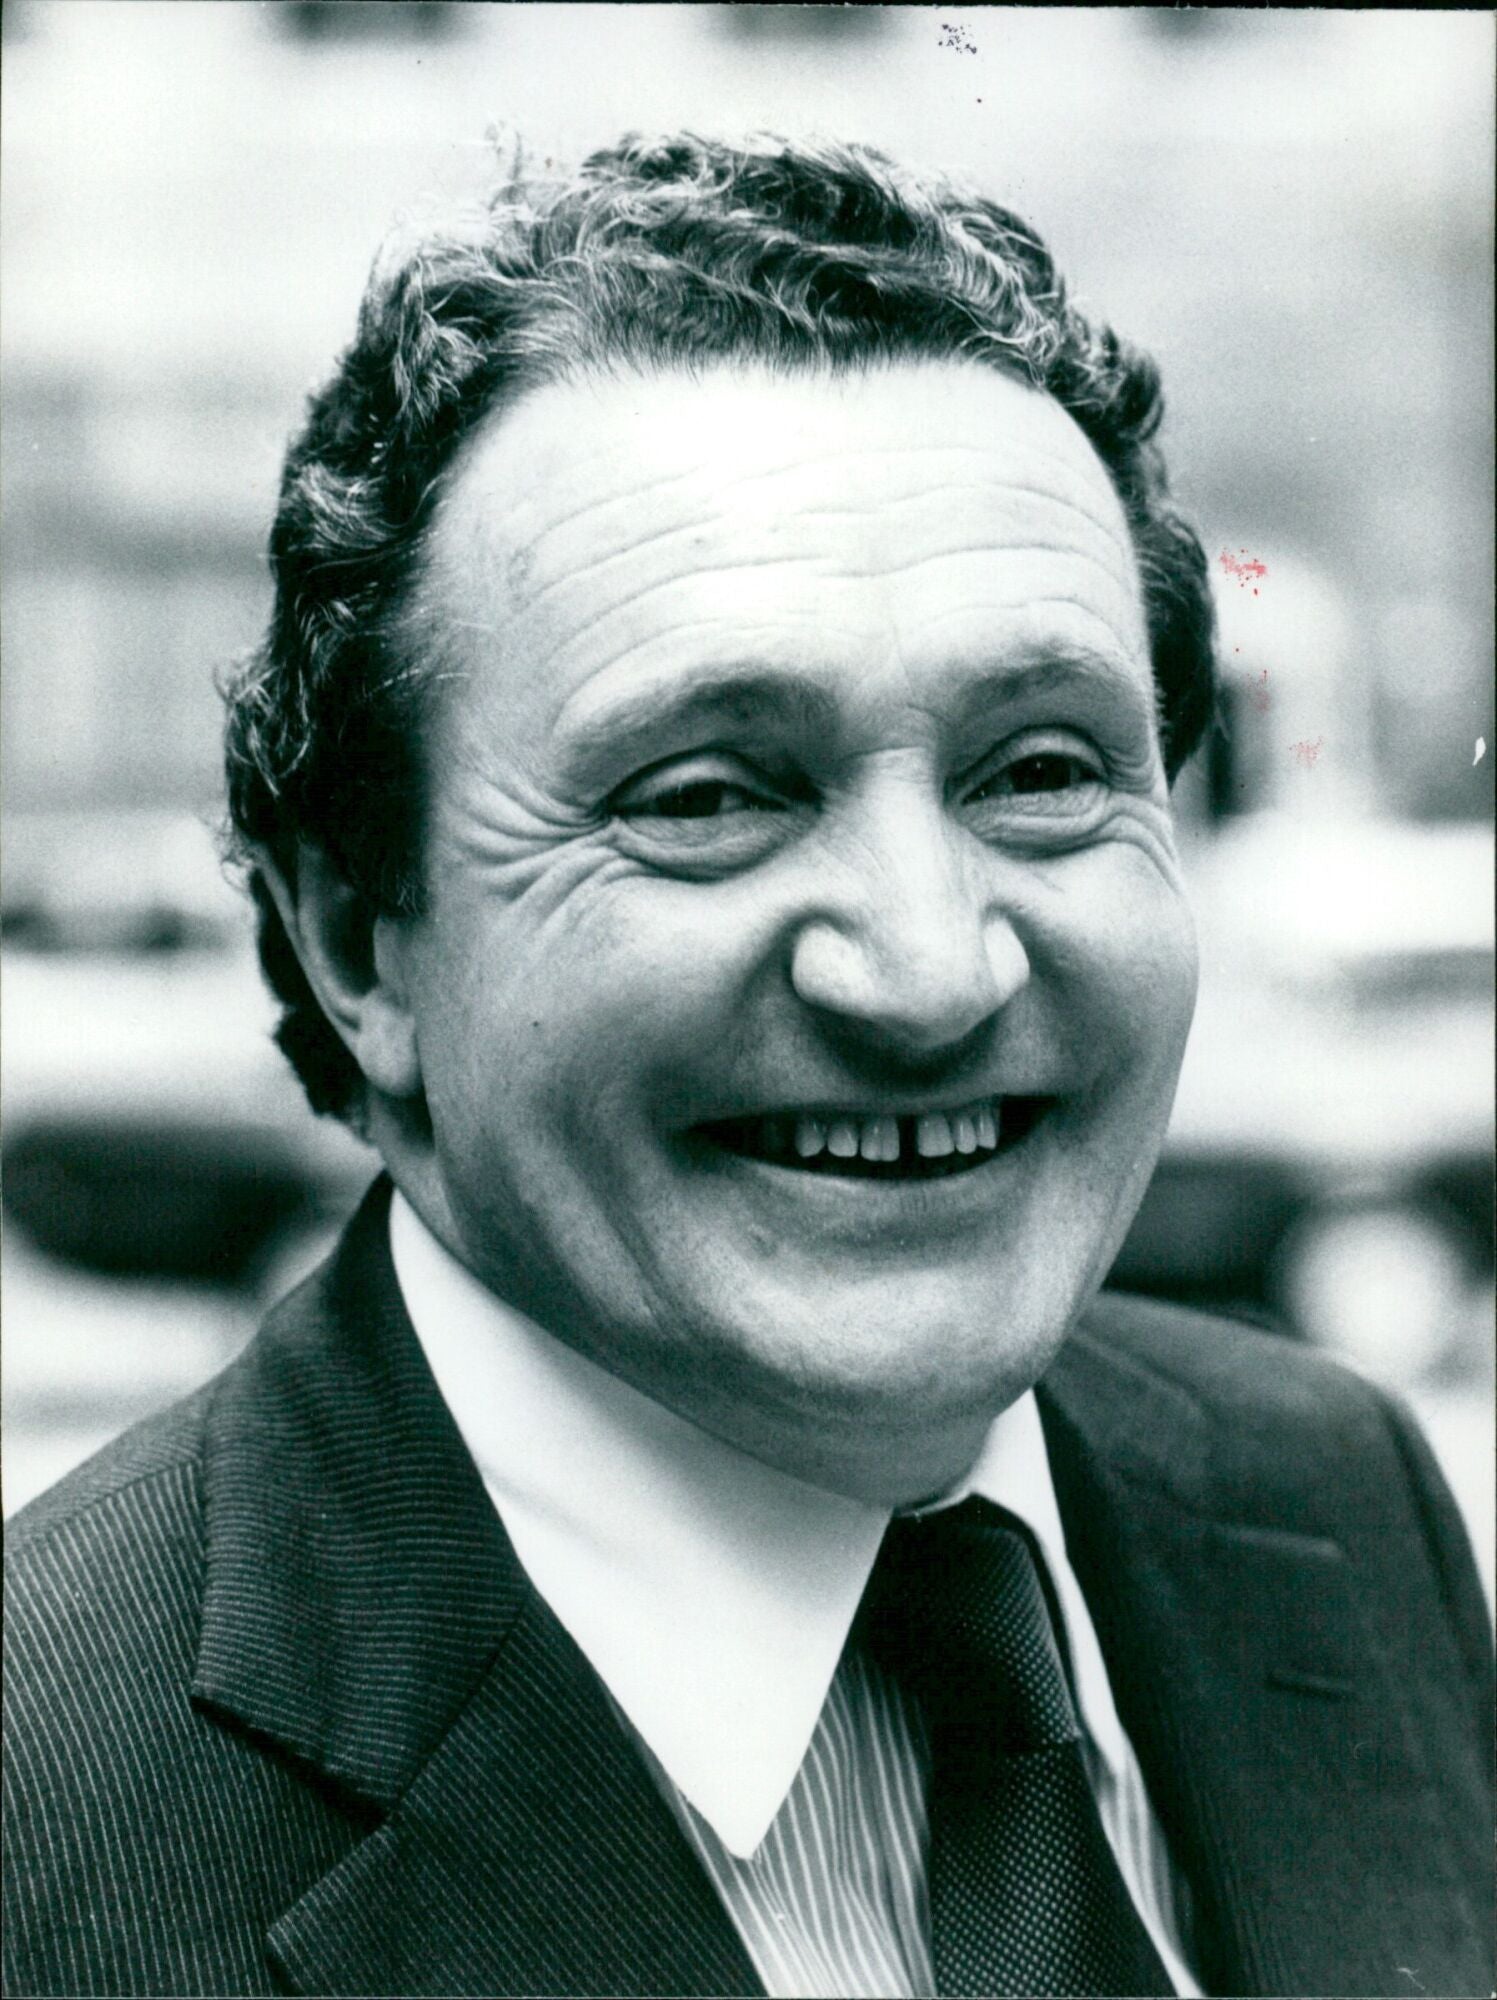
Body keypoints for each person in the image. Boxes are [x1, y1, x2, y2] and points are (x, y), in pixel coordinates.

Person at [5, 134, 1491, 2000]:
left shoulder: (1330, 1500)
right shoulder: (41, 1827)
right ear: (357, 942)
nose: (927, 965)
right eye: (706, 796)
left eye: (1039, 771)